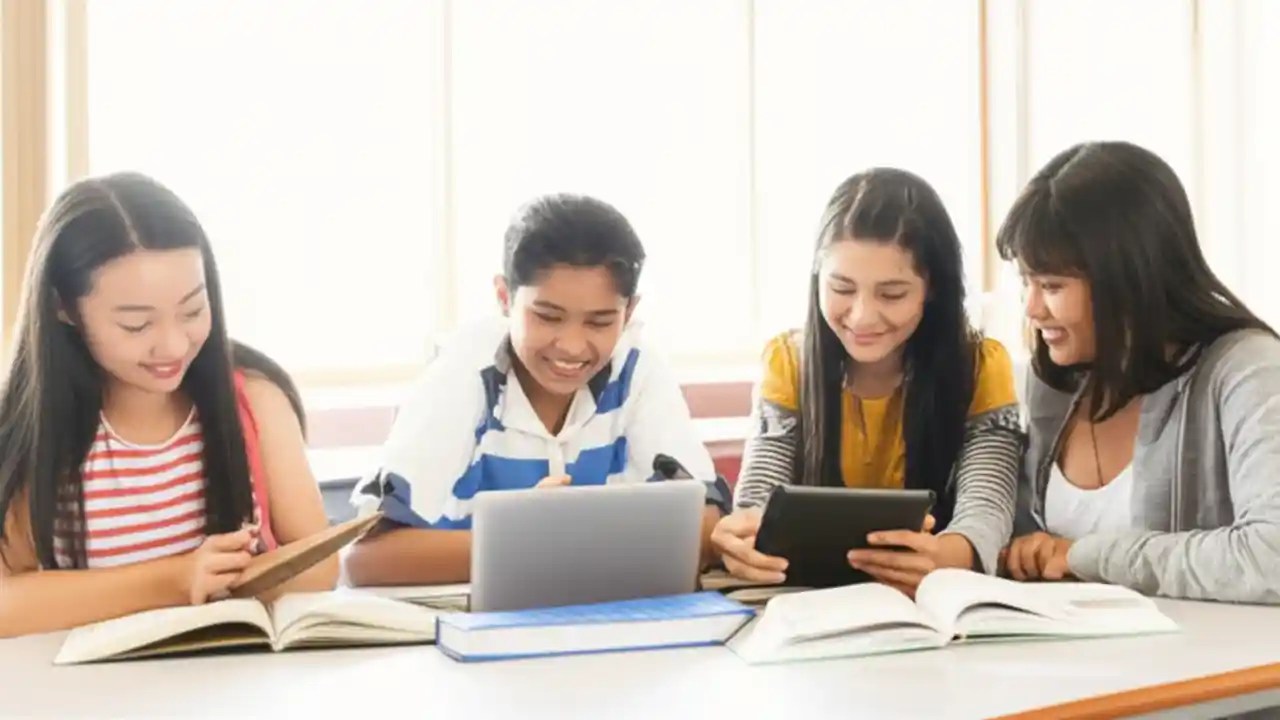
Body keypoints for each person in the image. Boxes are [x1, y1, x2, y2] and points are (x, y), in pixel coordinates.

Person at [0, 172, 336, 638]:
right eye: (137, 326)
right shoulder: (29, 429)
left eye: (193, 311)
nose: (174, 345)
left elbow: (322, 565)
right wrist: (176, 580)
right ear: (63, 308)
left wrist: (217, 578)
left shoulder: (254, 400)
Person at [345, 194, 729, 586]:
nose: (572, 346)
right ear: (503, 297)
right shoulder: (462, 374)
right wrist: (533, 542)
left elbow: (704, 521)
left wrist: (562, 543)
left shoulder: (637, 369)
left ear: (628, 312)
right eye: (547, 317)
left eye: (599, 322)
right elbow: (365, 558)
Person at [711, 168, 1022, 596]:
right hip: (806, 600)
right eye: (841, 288)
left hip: (935, 600)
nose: (861, 317)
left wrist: (950, 555)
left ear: (933, 289)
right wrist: (743, 537)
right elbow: (759, 497)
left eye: (892, 294)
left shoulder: (982, 366)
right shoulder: (789, 361)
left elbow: (986, 509)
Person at [999, 141, 1280, 604]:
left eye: (1052, 286)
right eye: (1025, 283)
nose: (1032, 309)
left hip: (1212, 670)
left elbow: (1270, 557)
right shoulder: (1054, 383)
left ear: (1127, 277)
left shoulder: (1248, 373)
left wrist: (1085, 556)